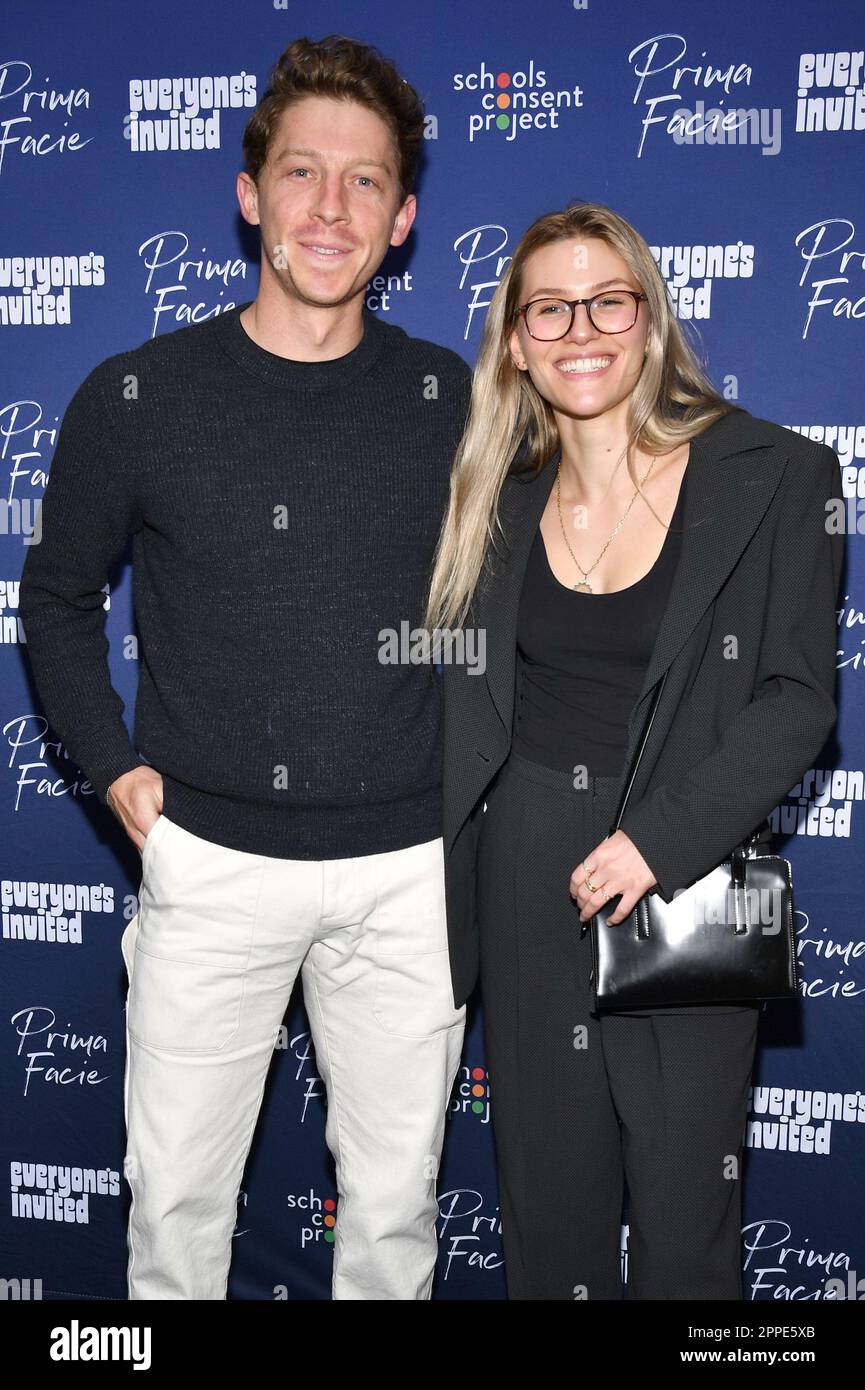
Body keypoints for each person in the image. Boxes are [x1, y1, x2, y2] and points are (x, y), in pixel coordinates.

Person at [19, 35, 471, 1301]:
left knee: (391, 1224)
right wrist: (113, 771)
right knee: (173, 1221)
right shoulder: (137, 397)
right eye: (303, 173)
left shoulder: (458, 401)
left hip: (409, 877)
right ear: (249, 192)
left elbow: (530, 604)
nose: (330, 208)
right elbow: (54, 599)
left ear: (403, 220)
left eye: (366, 182)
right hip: (207, 867)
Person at [426, 201, 844, 1300]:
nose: (581, 330)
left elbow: (798, 701)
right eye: (548, 309)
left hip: (684, 886)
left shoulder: (778, 477)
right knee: (549, 1227)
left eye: (607, 300)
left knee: (684, 1229)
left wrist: (650, 842)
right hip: (525, 887)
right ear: (515, 339)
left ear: (650, 318)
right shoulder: (490, 500)